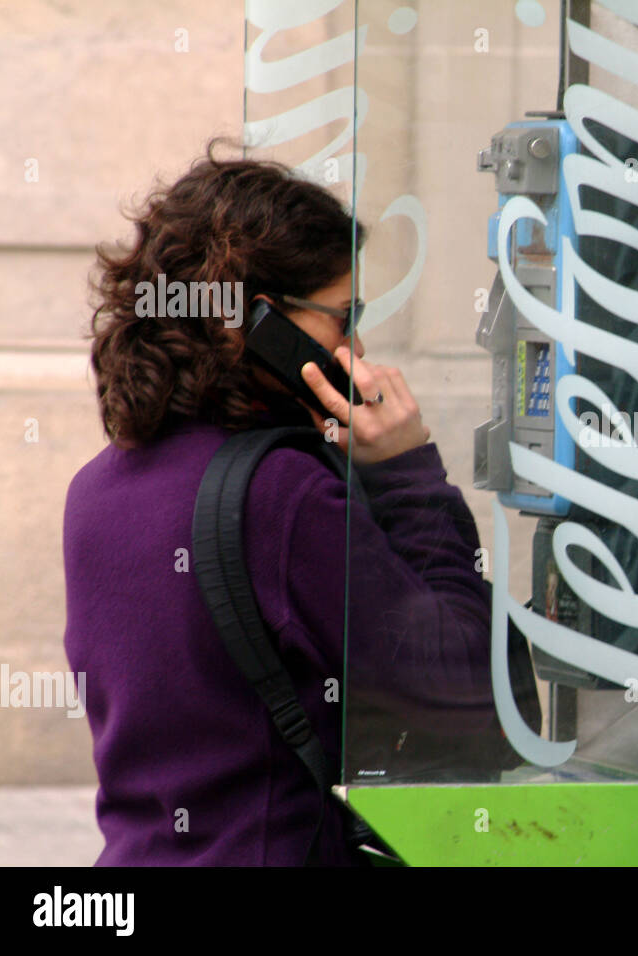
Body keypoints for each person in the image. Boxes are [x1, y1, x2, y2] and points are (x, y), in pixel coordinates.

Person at [62, 143, 494, 865]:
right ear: (260, 324)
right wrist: (409, 473)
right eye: (341, 316)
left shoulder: (96, 489)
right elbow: (461, 687)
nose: (355, 346)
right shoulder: (282, 496)